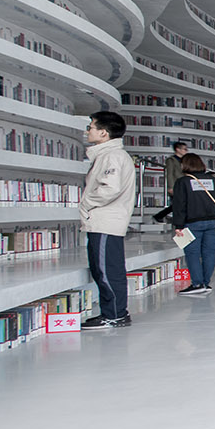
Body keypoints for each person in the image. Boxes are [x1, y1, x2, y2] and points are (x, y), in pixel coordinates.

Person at [79, 111, 136, 330]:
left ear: (103, 133)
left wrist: (86, 204)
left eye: (91, 127)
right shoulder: (109, 155)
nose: (88, 131)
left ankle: (114, 314)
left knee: (106, 270)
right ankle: (114, 312)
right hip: (105, 220)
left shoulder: (111, 156)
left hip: (105, 220)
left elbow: (109, 188)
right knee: (106, 268)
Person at [171, 154, 215, 295]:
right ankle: (205, 283)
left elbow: (179, 205)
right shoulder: (213, 181)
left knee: (192, 253)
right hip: (214, 222)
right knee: (209, 253)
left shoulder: (183, 182)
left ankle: (197, 284)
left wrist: (178, 225)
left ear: (185, 165)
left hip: (193, 223)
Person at [150, 140, 190, 223]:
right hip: (176, 185)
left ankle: (161, 216)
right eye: (184, 149)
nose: (186, 151)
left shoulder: (184, 160)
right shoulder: (171, 160)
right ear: (177, 149)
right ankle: (160, 216)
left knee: (179, 204)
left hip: (184, 184)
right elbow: (169, 174)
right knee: (177, 204)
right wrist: (171, 187)